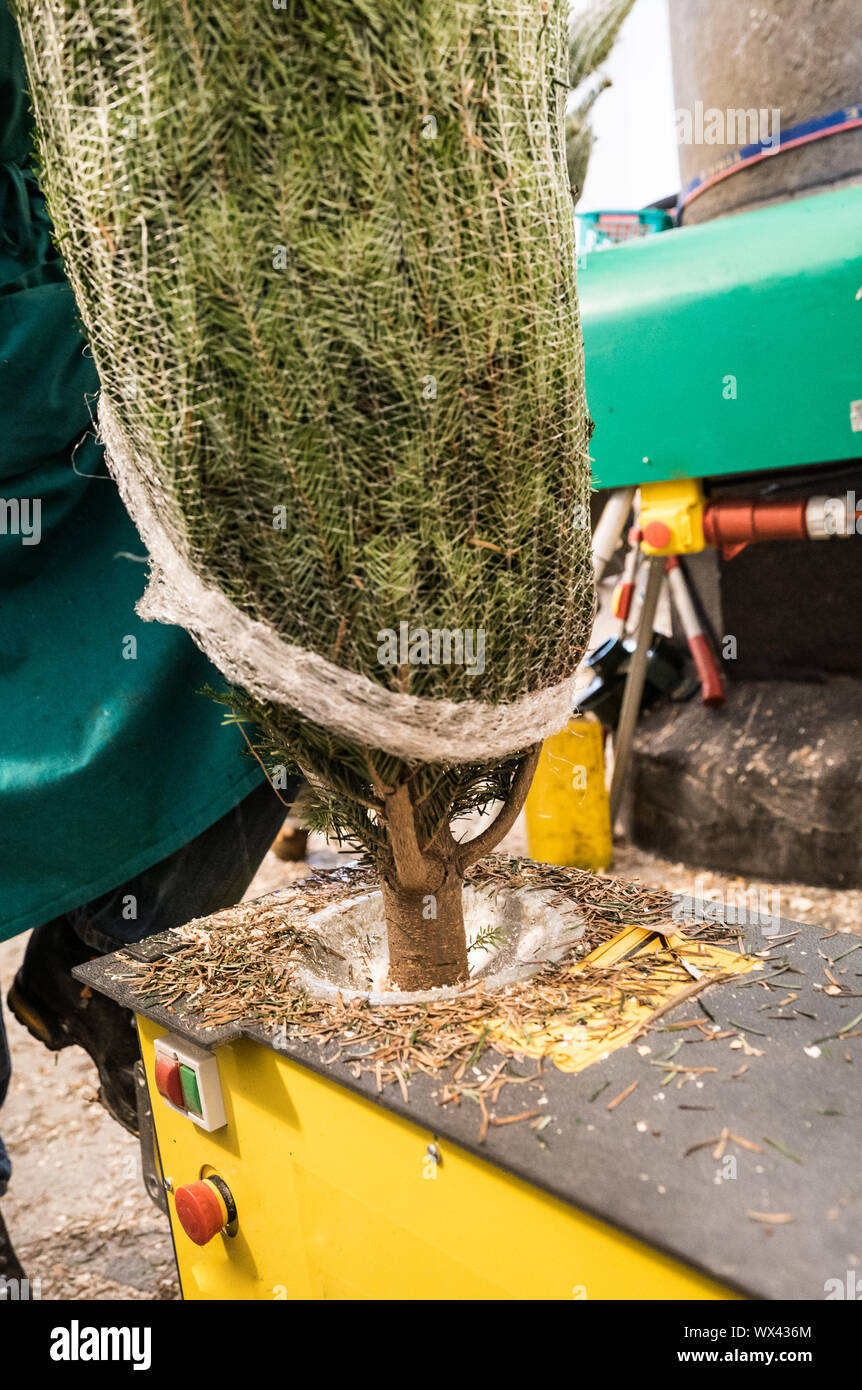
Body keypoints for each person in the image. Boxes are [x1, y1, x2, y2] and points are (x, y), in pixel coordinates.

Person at [0, 4, 298, 1278]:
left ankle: (107, 974)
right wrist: (129, 338)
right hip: (48, 396)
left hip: (73, 479)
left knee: (289, 677)